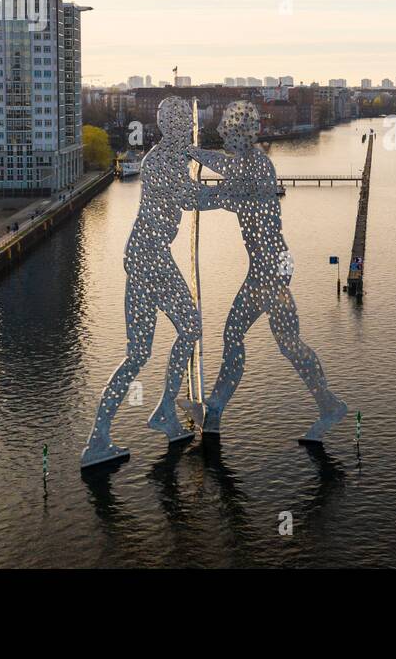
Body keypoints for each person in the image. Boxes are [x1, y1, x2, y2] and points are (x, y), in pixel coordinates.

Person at [188, 101, 348, 442]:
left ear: (243, 134)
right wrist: (191, 150)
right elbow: (221, 167)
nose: (221, 134)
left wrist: (185, 192)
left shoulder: (256, 166)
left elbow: (218, 196)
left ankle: (216, 412)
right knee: (277, 341)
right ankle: (327, 404)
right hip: (271, 264)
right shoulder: (246, 162)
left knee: (252, 338)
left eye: (227, 130)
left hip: (271, 267)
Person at [81, 97, 225, 468]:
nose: (189, 132)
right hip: (151, 257)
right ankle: (163, 412)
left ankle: (101, 439)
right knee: (190, 328)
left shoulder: (167, 157)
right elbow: (191, 197)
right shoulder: (163, 161)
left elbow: (191, 186)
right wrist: (233, 195)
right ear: (172, 128)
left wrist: (208, 164)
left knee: (138, 354)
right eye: (185, 127)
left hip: (141, 256)